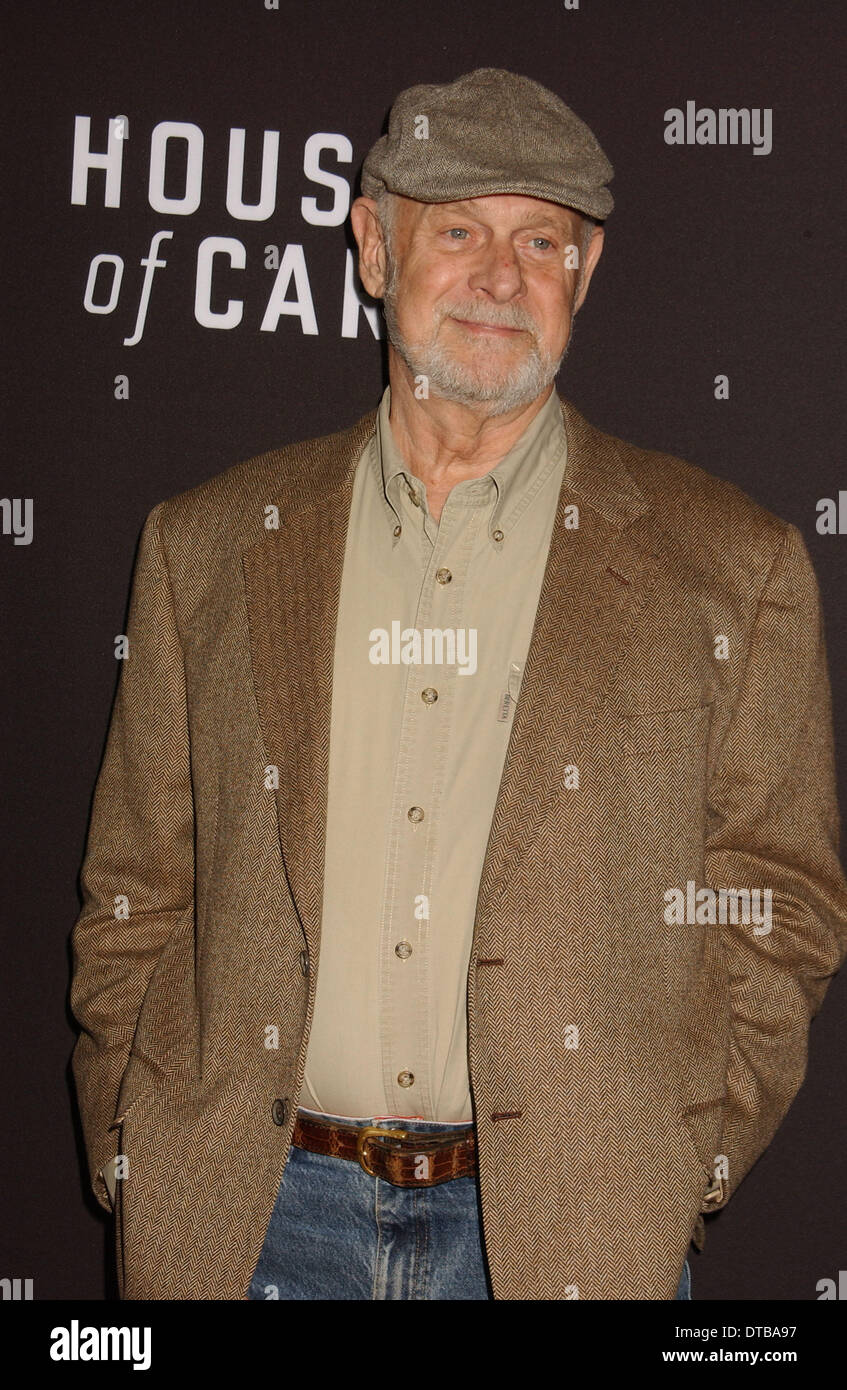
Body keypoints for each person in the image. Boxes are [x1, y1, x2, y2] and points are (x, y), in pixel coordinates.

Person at [70, 67, 847, 1301]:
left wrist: (677, 1153)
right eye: (458, 230)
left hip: (571, 1234)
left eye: (541, 238)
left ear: (583, 275)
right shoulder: (208, 545)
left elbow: (776, 903)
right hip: (246, 1222)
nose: (501, 275)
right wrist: (135, 1138)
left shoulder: (729, 567)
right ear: (374, 247)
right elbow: (136, 887)